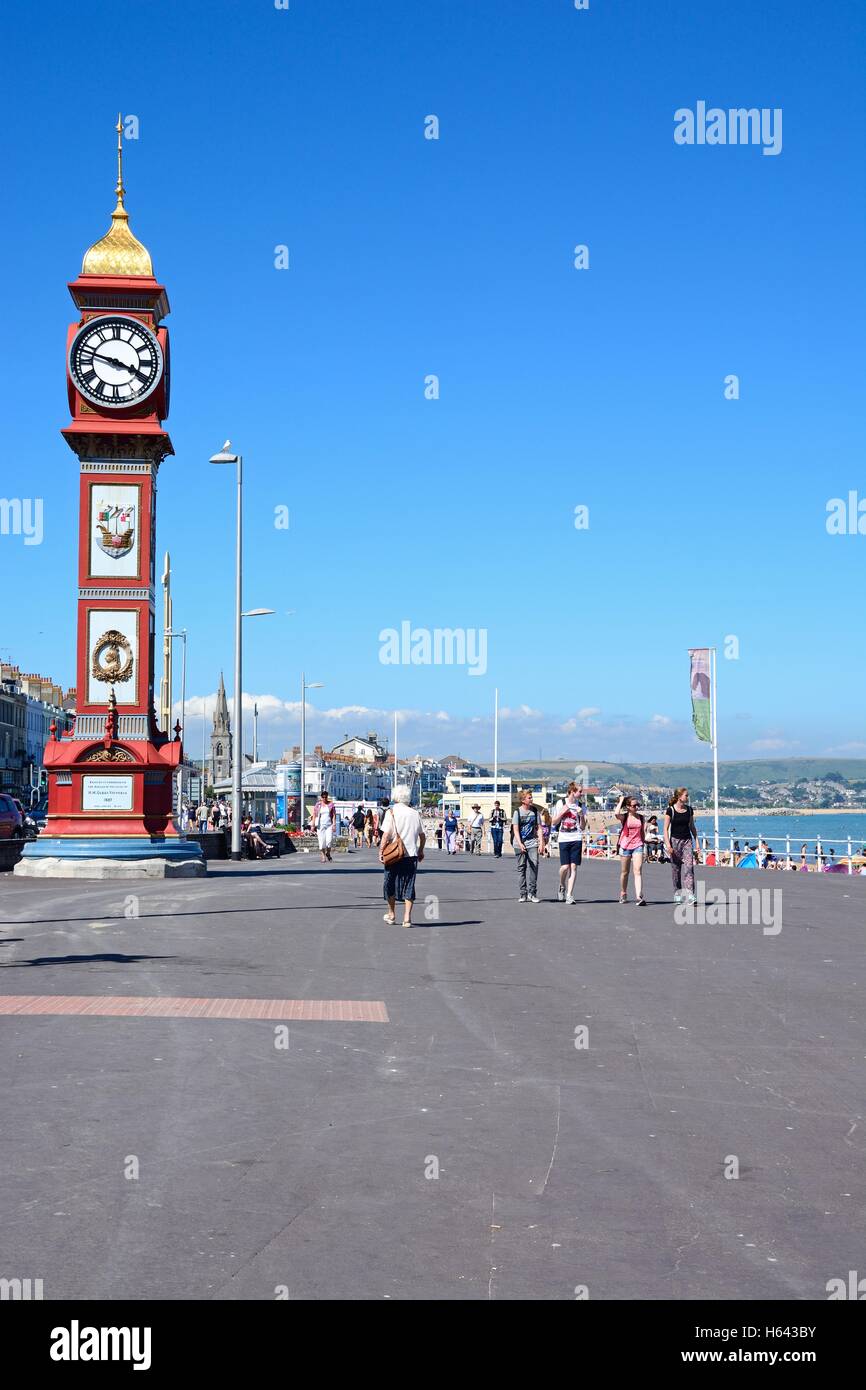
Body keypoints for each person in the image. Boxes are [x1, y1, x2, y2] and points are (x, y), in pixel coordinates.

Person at [379, 783, 425, 927]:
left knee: (389, 883)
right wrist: (421, 851)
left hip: (394, 854)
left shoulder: (391, 812)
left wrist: (381, 851)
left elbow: (386, 835)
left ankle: (392, 914)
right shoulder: (414, 813)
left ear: (395, 797)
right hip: (410, 854)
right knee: (409, 884)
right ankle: (407, 918)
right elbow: (422, 836)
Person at [552, 782, 586, 904]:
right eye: (580, 791)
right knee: (565, 867)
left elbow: (582, 827)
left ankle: (569, 895)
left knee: (573, 867)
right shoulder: (560, 803)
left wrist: (581, 815)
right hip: (564, 838)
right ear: (572, 791)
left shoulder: (581, 805)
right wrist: (562, 812)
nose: (581, 793)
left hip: (576, 837)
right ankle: (562, 885)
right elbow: (554, 822)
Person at [663, 788, 698, 904]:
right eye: (686, 796)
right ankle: (677, 893)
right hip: (674, 841)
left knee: (689, 868)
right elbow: (665, 829)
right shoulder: (670, 810)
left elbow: (692, 826)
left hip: (687, 841)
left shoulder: (689, 810)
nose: (687, 798)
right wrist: (668, 845)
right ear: (679, 797)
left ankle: (690, 895)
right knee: (676, 870)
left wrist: (697, 841)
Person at [616, 794, 647, 906]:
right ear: (628, 807)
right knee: (625, 872)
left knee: (638, 871)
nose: (637, 807)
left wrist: (644, 846)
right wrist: (621, 801)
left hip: (638, 845)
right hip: (625, 847)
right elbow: (616, 813)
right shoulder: (624, 817)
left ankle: (639, 896)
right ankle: (623, 893)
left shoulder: (641, 818)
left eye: (638, 805)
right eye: (634, 805)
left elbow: (642, 833)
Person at [512, 790, 542, 903]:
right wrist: (520, 844)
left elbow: (539, 828)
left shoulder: (535, 811)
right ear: (523, 800)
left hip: (532, 842)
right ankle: (523, 893)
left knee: (534, 865)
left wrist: (541, 843)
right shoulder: (517, 812)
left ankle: (532, 893)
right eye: (529, 798)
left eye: (531, 797)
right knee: (522, 868)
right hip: (519, 843)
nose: (532, 799)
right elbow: (515, 830)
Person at [312, 790, 336, 862]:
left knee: (329, 841)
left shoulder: (331, 804)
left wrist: (334, 824)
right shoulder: (318, 805)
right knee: (321, 842)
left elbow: (334, 815)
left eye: (325, 797)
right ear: (321, 797)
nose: (324, 798)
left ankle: (328, 853)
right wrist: (313, 825)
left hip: (329, 825)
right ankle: (323, 856)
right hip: (320, 825)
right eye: (323, 797)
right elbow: (314, 814)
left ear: (327, 797)